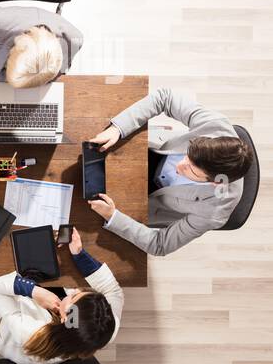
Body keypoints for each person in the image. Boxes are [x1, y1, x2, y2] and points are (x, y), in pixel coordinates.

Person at [85, 88, 254, 256]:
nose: (180, 164)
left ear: (214, 182)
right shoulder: (216, 126)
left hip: (145, 201)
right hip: (144, 155)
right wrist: (118, 129)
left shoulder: (214, 212)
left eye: (190, 169)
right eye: (188, 155)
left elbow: (160, 245)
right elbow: (165, 97)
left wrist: (113, 216)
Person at [0, 228, 122, 364]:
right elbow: (113, 290)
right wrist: (79, 255)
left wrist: (33, 290)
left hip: (6, 327)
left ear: (64, 317)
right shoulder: (107, 326)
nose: (77, 290)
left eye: (73, 296)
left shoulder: (29, 332)